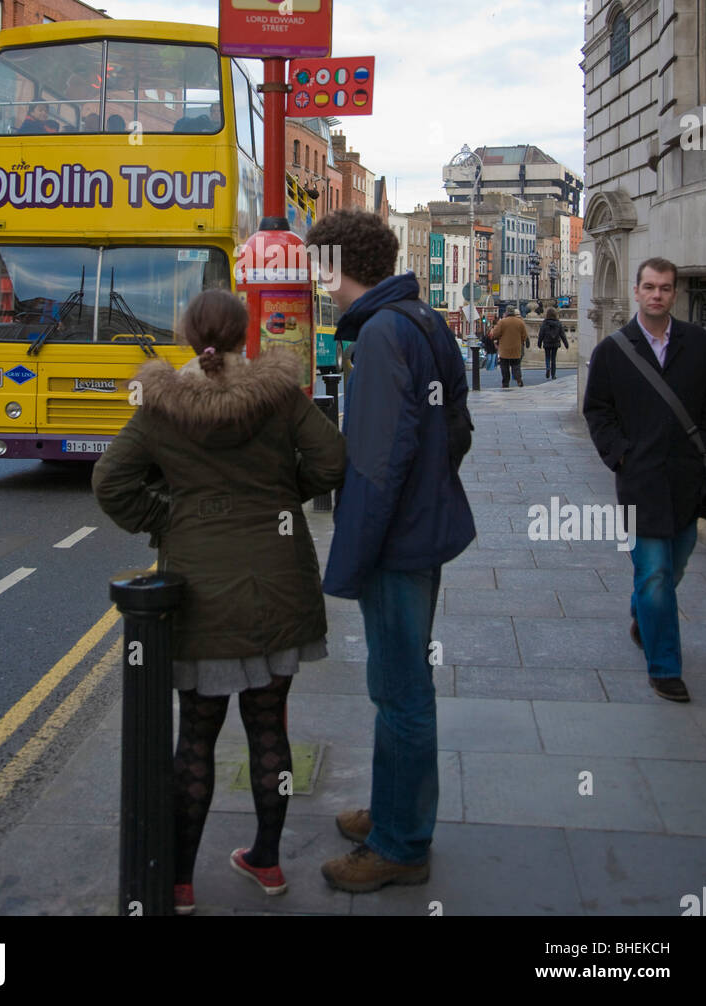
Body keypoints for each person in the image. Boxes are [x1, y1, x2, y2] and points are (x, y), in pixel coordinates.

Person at [92, 288, 345, 913]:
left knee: (196, 739)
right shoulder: (279, 395)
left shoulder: (161, 404)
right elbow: (333, 460)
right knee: (269, 732)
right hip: (277, 581)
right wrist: (286, 494)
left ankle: (178, 882)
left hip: (200, 589)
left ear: (186, 334)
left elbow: (111, 482)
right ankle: (267, 861)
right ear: (243, 335)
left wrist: (168, 520)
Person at [304, 209, 476, 894]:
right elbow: (458, 425)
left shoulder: (379, 334)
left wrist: (352, 557)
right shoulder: (424, 319)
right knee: (398, 687)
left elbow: (374, 464)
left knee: (400, 692)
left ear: (333, 265)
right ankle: (393, 811)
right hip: (425, 528)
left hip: (398, 544)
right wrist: (432, 483)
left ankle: (401, 845)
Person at [583, 257, 706, 703]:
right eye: (649, 287)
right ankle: (665, 668)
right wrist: (621, 455)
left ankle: (643, 614)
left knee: (673, 566)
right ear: (636, 291)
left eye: (665, 287)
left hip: (687, 479)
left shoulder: (699, 345)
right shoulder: (612, 351)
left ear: (674, 294)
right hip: (640, 481)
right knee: (656, 572)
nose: (657, 294)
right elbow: (597, 410)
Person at [491, 305, 528, 387]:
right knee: (516, 365)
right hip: (516, 348)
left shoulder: (502, 322)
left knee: (504, 366)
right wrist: (520, 341)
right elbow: (524, 335)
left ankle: (505, 382)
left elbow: (495, 334)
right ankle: (518, 379)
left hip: (505, 349)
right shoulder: (520, 322)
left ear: (507, 312)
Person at [537, 307, 568, 379]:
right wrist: (566, 344)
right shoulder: (558, 323)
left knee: (547, 356)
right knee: (553, 359)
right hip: (555, 342)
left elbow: (541, 334)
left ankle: (548, 368)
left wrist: (539, 343)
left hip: (547, 342)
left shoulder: (545, 323)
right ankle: (553, 375)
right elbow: (562, 335)